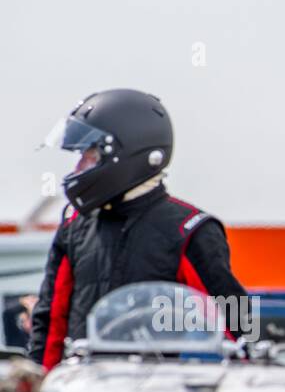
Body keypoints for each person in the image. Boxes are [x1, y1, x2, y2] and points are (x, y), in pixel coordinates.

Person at [27, 89, 251, 369]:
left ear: (130, 153)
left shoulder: (188, 229)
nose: (79, 166)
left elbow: (237, 326)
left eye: (91, 155)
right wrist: (37, 383)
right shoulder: (75, 223)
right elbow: (50, 320)